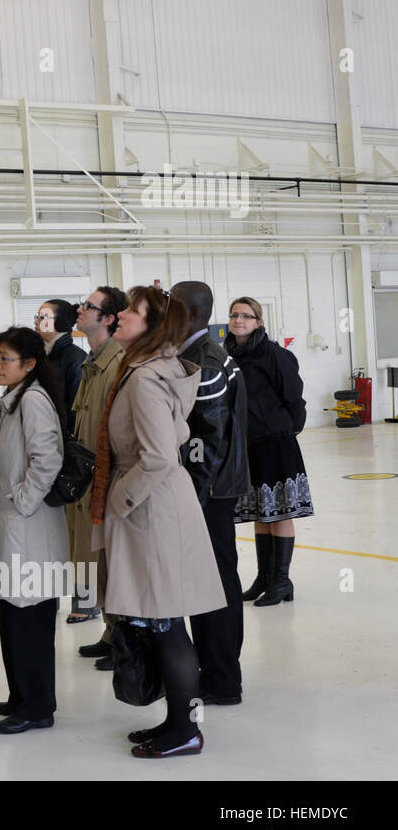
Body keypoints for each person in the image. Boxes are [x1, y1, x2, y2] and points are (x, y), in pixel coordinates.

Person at [91, 286, 226, 758]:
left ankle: (185, 730)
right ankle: (174, 721)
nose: (121, 314)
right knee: (160, 620)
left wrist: (117, 502)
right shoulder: (143, 370)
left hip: (150, 511)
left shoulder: (146, 380)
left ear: (153, 326)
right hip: (152, 509)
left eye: (132, 309)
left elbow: (155, 458)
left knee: (166, 623)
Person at [0, 326, 69, 734]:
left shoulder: (33, 401)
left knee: (31, 621)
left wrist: (21, 501)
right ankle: (21, 694)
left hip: (30, 529)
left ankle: (37, 707)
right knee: (12, 615)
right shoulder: (15, 400)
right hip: (16, 528)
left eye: (6, 358)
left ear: (30, 364)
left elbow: (47, 460)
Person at [172, 281, 250, 706]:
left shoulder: (205, 361)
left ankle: (222, 679)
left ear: (190, 313)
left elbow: (207, 438)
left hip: (212, 492)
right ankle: (216, 671)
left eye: (171, 308)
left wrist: (193, 495)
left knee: (216, 586)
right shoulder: (201, 354)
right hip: (215, 487)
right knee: (213, 582)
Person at [224, 297, 311, 607]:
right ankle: (264, 577)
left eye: (246, 316)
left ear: (259, 322)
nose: (238, 320)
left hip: (277, 444)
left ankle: (281, 579)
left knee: (281, 512)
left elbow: (295, 400)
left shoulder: (275, 355)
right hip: (249, 445)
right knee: (262, 512)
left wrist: (285, 429)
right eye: (234, 315)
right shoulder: (228, 357)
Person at [65, 287, 129, 635]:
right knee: (95, 560)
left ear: (108, 319)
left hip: (107, 479)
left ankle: (121, 637)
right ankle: (110, 631)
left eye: (88, 307)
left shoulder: (117, 364)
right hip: (86, 479)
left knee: (111, 561)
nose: (79, 310)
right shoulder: (92, 363)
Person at [35, 299, 87, 432]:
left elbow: (76, 409)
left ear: (59, 322)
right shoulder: (41, 354)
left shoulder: (75, 357)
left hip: (63, 438)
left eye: (42, 317)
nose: (36, 321)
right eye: (37, 317)